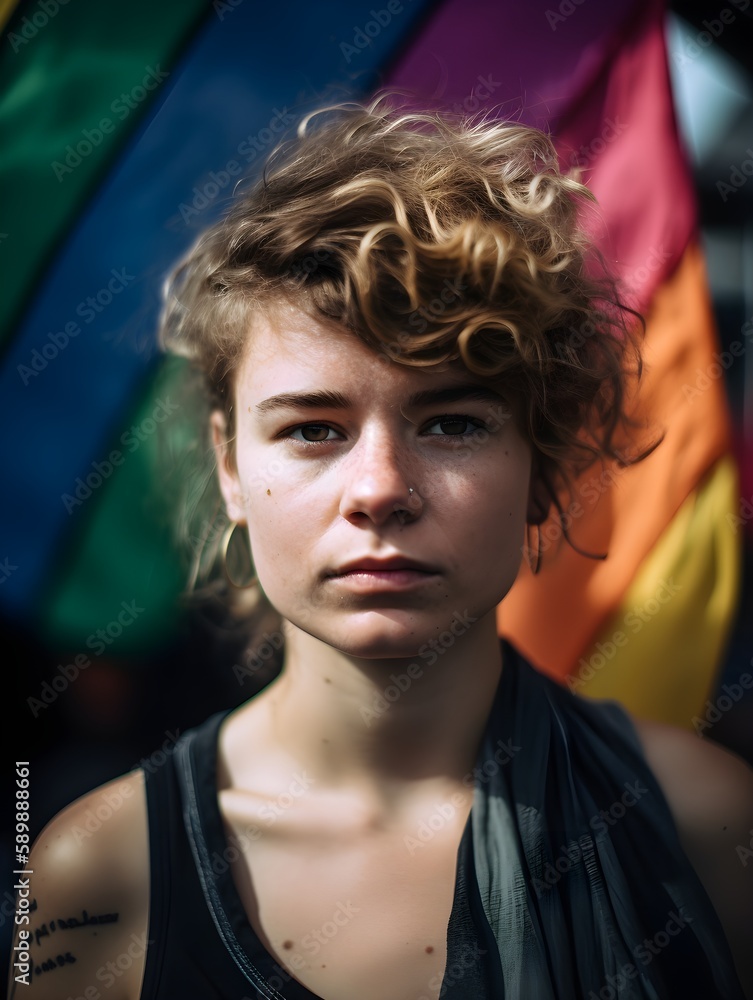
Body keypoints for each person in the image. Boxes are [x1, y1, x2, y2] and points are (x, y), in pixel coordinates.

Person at [9, 93, 753, 1000]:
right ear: (231, 467)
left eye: (452, 423)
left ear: (542, 461)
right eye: (313, 430)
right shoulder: (97, 873)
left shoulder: (708, 826)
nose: (379, 489)